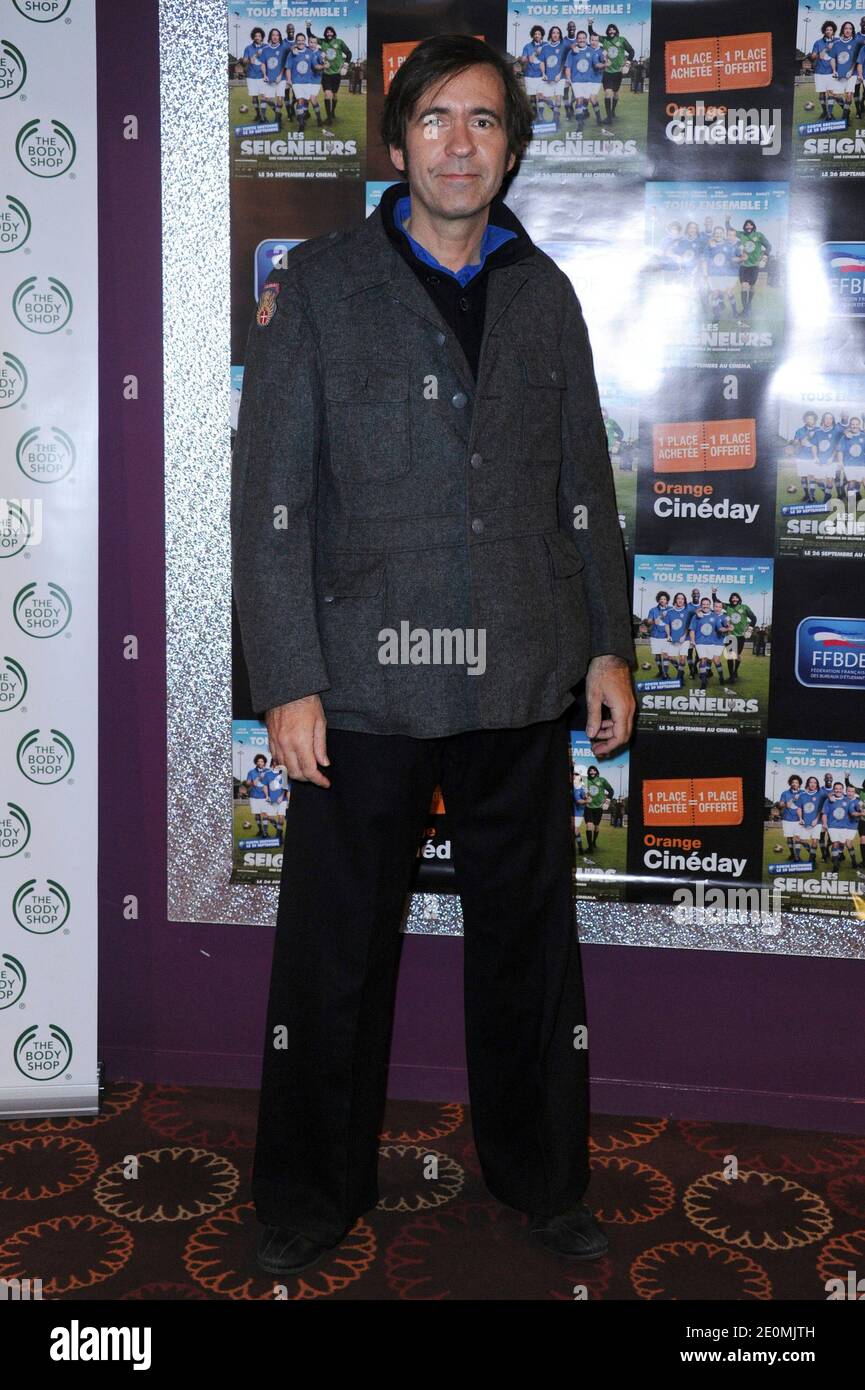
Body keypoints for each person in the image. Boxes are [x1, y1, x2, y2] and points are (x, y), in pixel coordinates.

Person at [231, 33, 635, 1279]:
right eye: (437, 120)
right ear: (395, 142)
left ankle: (540, 1177)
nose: (461, 144)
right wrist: (287, 674)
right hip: (363, 677)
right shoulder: (320, 282)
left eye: (485, 122)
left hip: (519, 666)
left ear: (510, 148)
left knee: (530, 947)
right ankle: (306, 1197)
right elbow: (272, 498)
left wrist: (610, 645)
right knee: (334, 955)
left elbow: (584, 487)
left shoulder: (545, 291)